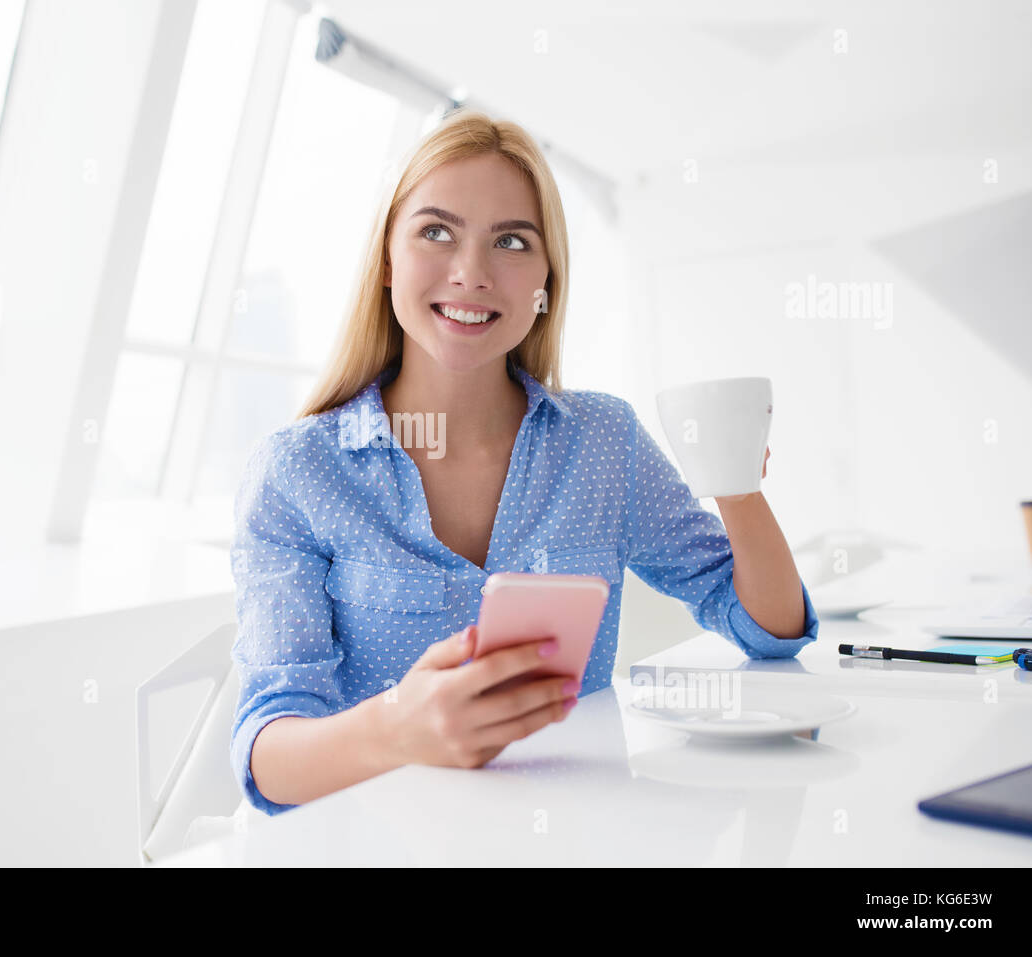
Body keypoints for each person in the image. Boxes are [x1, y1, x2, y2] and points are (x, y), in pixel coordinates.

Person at [228, 108, 818, 817]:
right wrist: (399, 730)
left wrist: (736, 482)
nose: (471, 273)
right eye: (435, 232)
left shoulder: (605, 441)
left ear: (546, 283)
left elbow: (767, 628)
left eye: (511, 241)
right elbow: (268, 757)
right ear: (387, 260)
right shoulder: (298, 472)